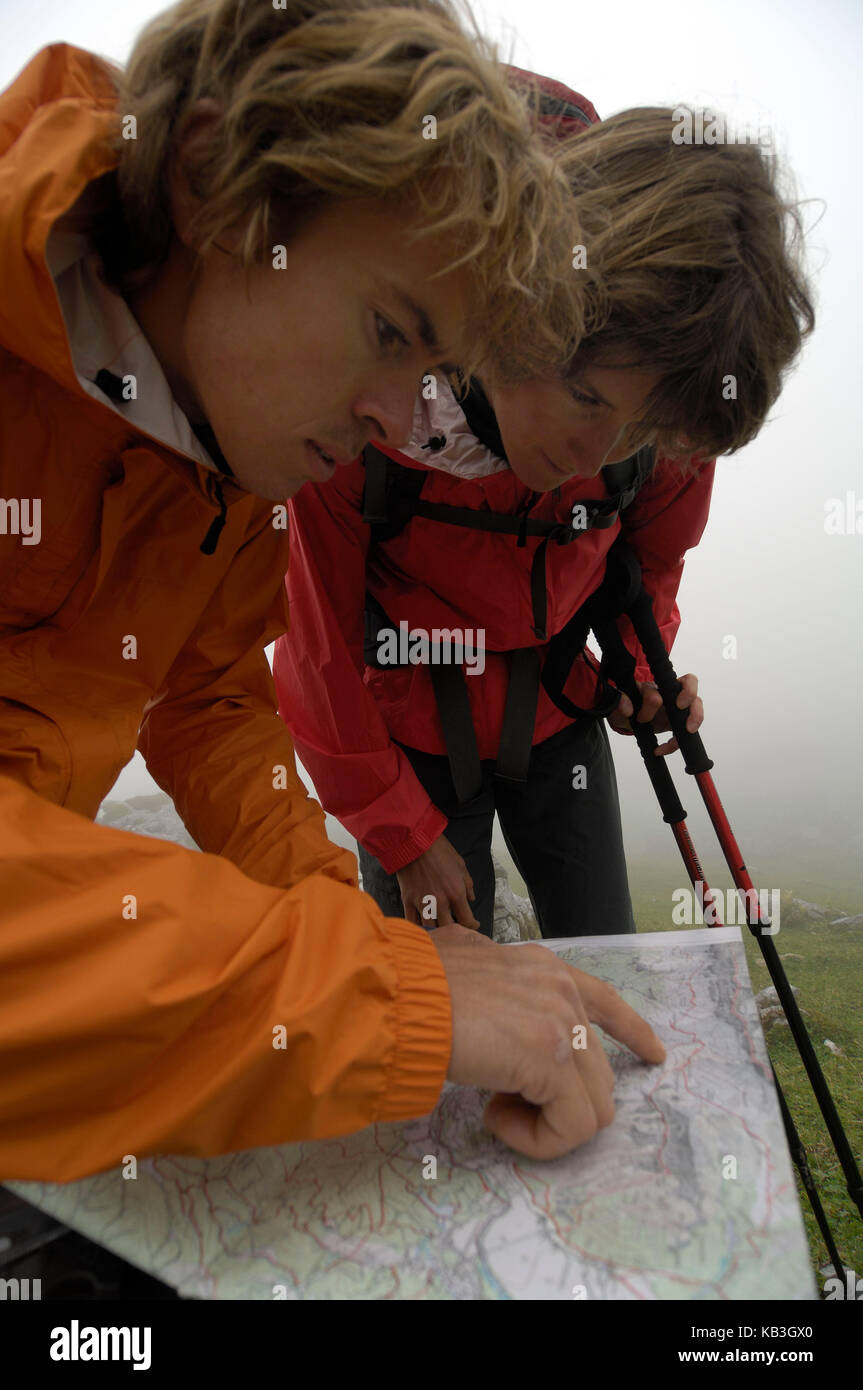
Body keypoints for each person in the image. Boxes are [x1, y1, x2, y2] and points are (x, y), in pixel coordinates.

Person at [0, 0, 665, 1183]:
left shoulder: (205, 442)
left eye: (427, 369)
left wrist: (346, 925)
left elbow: (204, 706)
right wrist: (386, 997)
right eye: (387, 330)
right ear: (212, 180)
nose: (392, 418)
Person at [274, 80, 814, 938]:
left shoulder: (670, 404)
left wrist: (639, 668)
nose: (602, 454)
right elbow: (317, 650)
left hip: (561, 720)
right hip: (410, 744)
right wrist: (400, 833)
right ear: (518, 305)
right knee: (450, 1010)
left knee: (606, 954)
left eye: (645, 427)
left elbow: (652, 563)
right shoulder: (361, 411)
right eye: (587, 398)